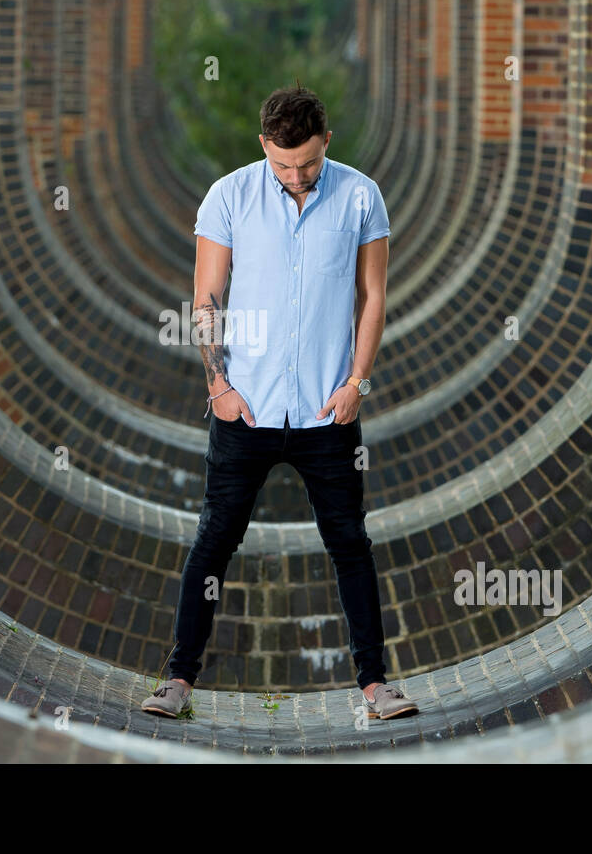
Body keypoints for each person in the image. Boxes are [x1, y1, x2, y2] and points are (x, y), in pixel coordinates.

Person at [141, 84, 416, 721]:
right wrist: (219, 388)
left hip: (328, 413)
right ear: (264, 145)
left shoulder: (359, 196)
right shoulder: (229, 197)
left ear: (327, 143)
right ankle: (178, 681)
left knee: (350, 543)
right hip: (248, 411)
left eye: (309, 163)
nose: (296, 177)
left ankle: (375, 686)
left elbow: (372, 297)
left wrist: (357, 384)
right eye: (283, 164)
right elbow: (206, 300)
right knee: (213, 541)